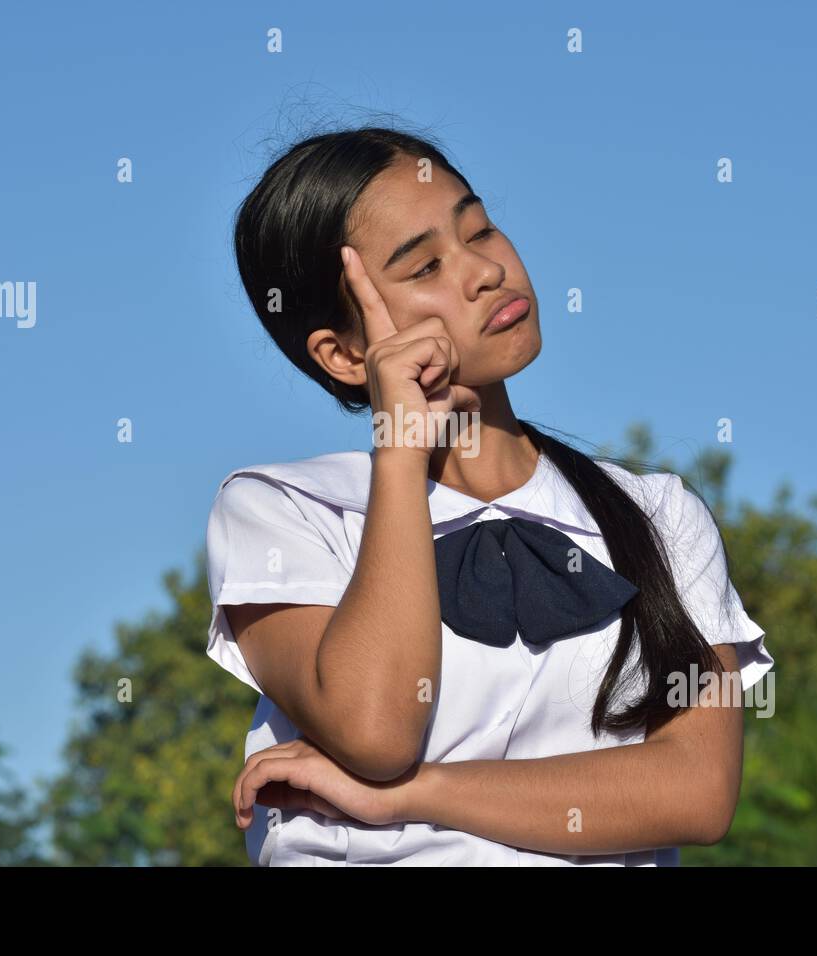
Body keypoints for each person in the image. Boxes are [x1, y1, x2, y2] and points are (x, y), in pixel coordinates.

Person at [205, 125, 773, 866]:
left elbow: (695, 790)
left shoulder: (657, 514)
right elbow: (377, 729)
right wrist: (401, 450)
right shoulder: (284, 509)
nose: (484, 271)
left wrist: (414, 795)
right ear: (344, 354)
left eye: (479, 228)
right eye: (425, 266)